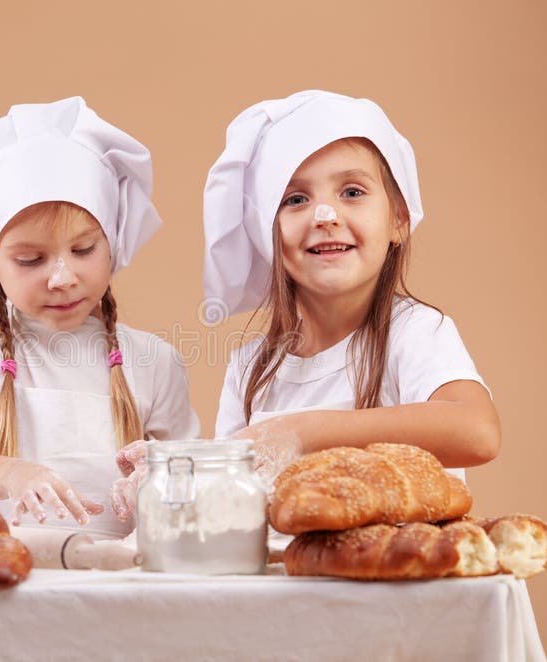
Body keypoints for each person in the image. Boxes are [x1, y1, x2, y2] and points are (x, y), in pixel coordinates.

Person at [0, 97, 199, 540]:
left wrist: (165, 481)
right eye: (30, 259)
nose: (62, 278)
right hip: (1, 584)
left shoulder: (153, 361)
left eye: (84, 250)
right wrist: (11, 474)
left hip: (119, 589)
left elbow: (193, 486)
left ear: (112, 244)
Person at [203, 90, 500, 481]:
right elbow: (226, 497)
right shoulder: (250, 369)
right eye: (294, 199)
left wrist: (301, 433)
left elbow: (476, 432)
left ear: (399, 218)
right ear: (266, 233)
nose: (325, 215)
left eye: (352, 192)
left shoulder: (414, 333)